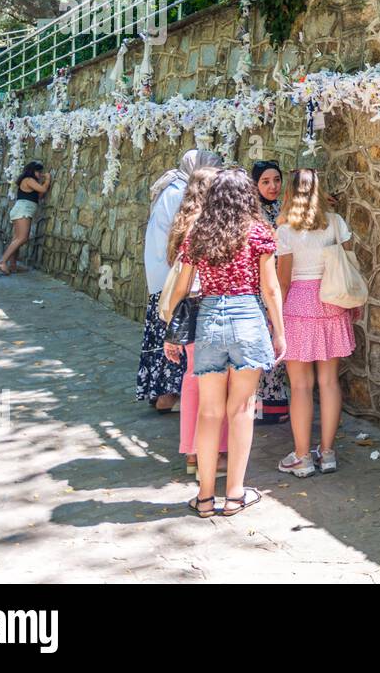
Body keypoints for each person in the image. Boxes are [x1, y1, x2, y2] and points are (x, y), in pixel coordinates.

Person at [168, 167, 287, 516]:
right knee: (241, 410)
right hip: (248, 317)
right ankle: (234, 494)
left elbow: (181, 286)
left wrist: (170, 328)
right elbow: (270, 288)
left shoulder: (199, 235)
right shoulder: (259, 234)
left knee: (209, 411)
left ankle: (204, 497)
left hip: (208, 319)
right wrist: (278, 332)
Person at [274, 169, 359, 477]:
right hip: (332, 302)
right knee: (329, 382)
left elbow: (282, 281)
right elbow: (347, 267)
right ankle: (328, 453)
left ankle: (302, 457)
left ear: (290, 194)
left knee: (300, 385)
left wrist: (275, 320)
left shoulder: (284, 231)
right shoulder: (336, 222)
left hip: (298, 307)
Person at [137, 149, 223, 412]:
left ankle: (162, 394)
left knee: (164, 334)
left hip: (163, 275)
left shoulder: (172, 188)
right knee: (176, 336)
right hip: (174, 279)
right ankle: (171, 397)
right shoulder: (180, 193)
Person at [159, 167, 229, 477]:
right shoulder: (213, 227)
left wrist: (169, 326)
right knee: (215, 383)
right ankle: (213, 452)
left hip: (187, 310)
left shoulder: (182, 225)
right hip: (210, 306)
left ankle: (191, 451)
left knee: (191, 380)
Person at [251, 159, 290, 425]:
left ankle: (275, 405)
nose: (272, 186)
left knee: (277, 342)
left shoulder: (285, 208)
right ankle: (254, 405)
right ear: (255, 185)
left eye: (276, 180)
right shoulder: (250, 214)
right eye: (265, 181)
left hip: (281, 286)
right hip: (257, 288)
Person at [0, 161, 48, 275]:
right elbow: (43, 190)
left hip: (22, 210)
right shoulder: (29, 179)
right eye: (38, 171)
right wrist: (48, 180)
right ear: (32, 171)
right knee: (22, 238)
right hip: (23, 211)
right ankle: (2, 261)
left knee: (17, 239)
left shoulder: (30, 182)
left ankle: (13, 265)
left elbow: (39, 195)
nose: (40, 174)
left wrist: (43, 183)